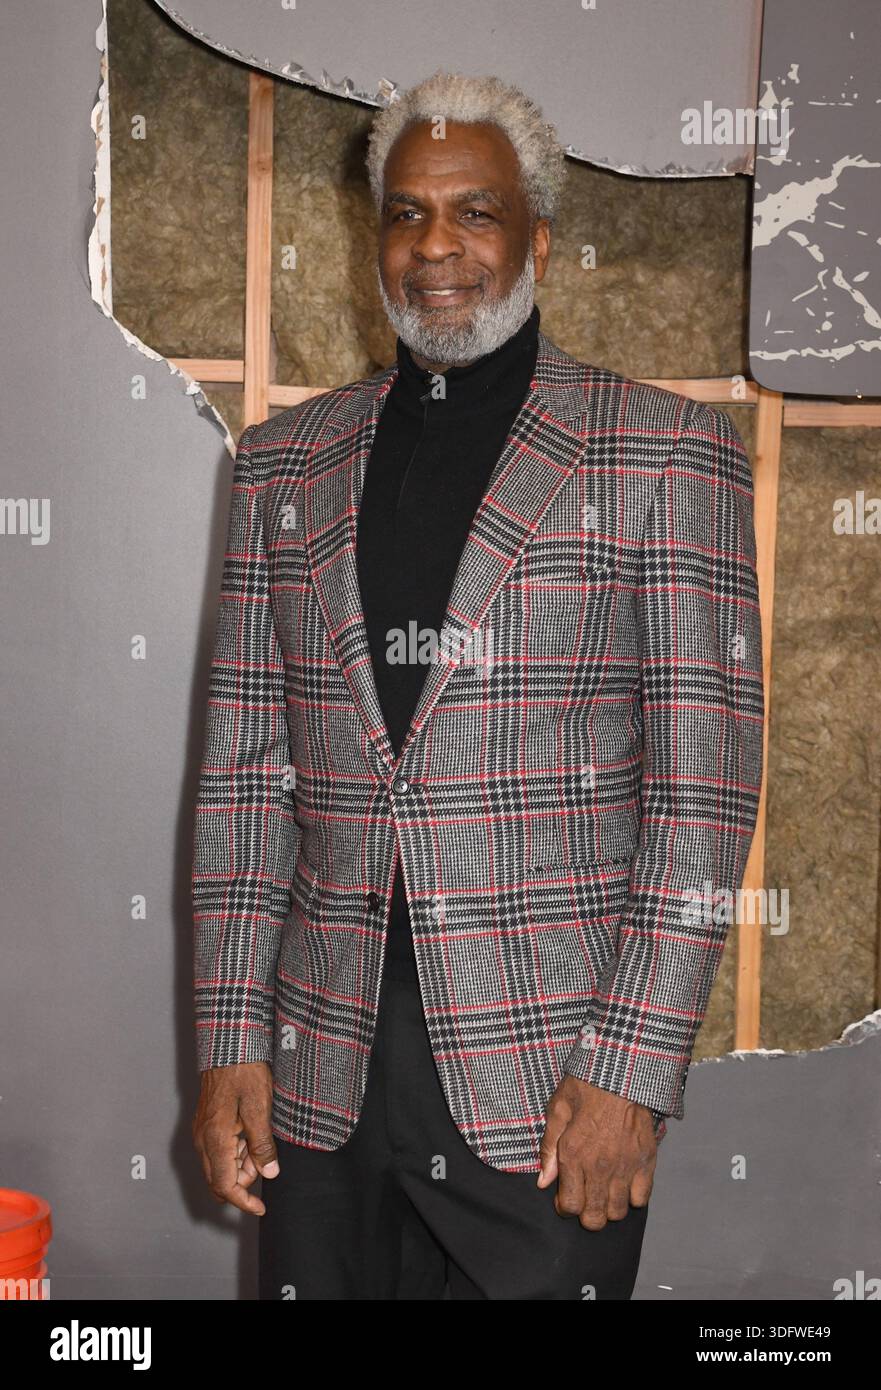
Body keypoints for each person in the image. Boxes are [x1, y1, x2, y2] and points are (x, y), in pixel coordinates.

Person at [191, 70, 764, 1300]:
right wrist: (233, 1037)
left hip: (552, 1091)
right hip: (320, 1082)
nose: (435, 244)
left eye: (475, 212)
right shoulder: (282, 465)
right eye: (405, 213)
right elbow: (246, 780)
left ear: (538, 236)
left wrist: (632, 1063)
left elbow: (702, 802)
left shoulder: (665, 456)